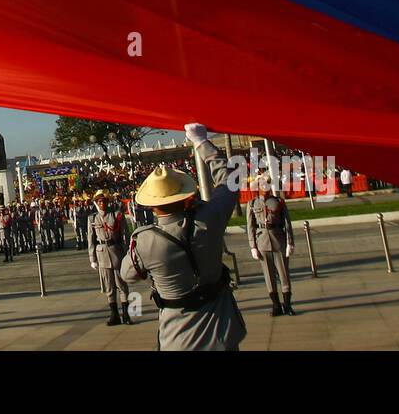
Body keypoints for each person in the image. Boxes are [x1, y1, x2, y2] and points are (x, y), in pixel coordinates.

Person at [120, 124, 247, 351]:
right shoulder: (208, 218)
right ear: (185, 196)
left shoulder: (144, 240)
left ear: (152, 205)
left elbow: (127, 274)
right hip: (222, 330)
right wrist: (201, 143)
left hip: (178, 336)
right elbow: (230, 182)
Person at [246, 177, 295, 316]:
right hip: (262, 241)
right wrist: (253, 246)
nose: (265, 188)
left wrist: (290, 242)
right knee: (268, 275)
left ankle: (287, 304)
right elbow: (250, 227)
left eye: (267, 185)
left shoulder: (278, 202)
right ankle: (276, 305)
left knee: (284, 274)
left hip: (278, 240)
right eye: (262, 185)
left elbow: (287, 223)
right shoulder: (252, 203)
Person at [88, 189, 133, 326]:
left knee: (122, 284)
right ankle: (114, 314)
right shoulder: (92, 219)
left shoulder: (116, 215)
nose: (102, 203)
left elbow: (125, 235)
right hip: (102, 253)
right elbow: (91, 240)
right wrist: (92, 258)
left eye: (104, 201)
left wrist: (127, 253)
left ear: (107, 202)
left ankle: (126, 314)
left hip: (117, 251)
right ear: (96, 203)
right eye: (99, 201)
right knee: (109, 286)